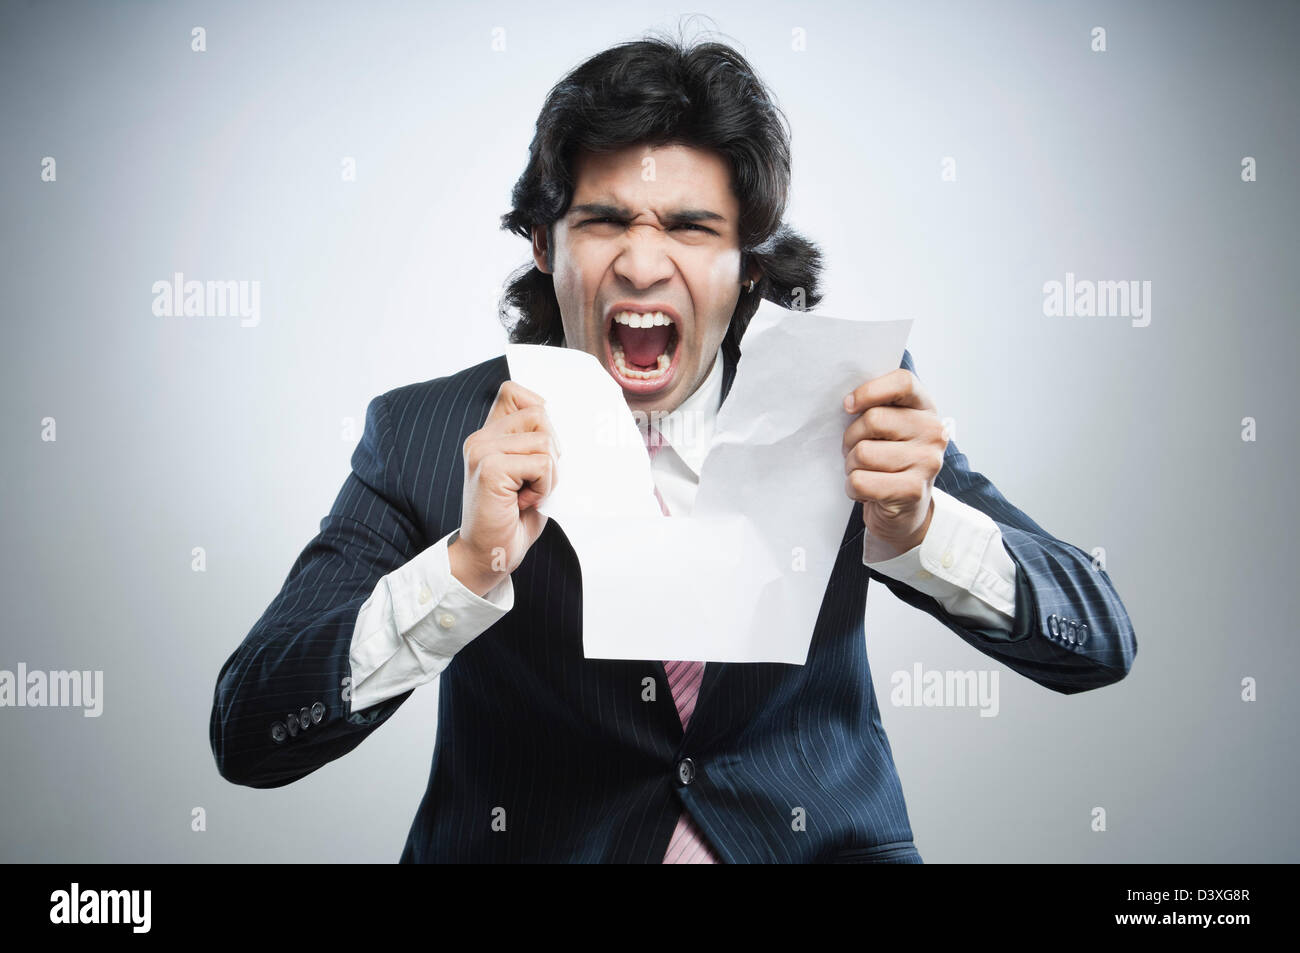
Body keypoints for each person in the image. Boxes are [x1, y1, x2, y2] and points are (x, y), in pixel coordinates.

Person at [209, 30, 1136, 863]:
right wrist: (463, 568)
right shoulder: (423, 433)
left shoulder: (847, 402)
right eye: (605, 221)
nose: (645, 264)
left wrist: (922, 527)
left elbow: (1098, 640)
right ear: (543, 242)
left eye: (692, 228)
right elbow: (251, 729)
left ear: (748, 265)